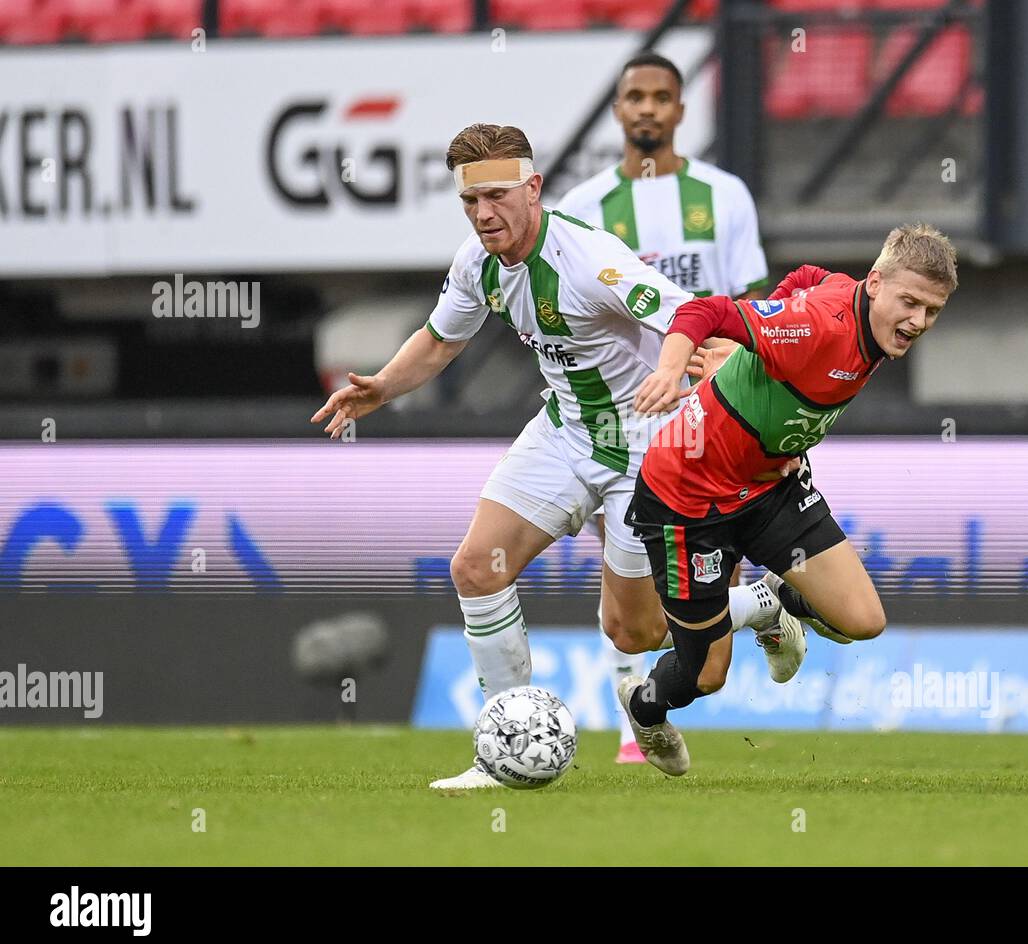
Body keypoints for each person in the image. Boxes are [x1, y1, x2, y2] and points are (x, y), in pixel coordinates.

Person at [310, 123, 802, 789]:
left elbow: (693, 316)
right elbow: (438, 339)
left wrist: (708, 376)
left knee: (634, 634)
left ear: (533, 188)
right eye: (470, 201)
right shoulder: (477, 262)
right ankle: (503, 753)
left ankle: (762, 604)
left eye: (498, 196)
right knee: (477, 569)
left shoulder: (592, 260)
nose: (484, 214)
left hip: (646, 446)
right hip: (565, 430)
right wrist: (382, 387)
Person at [617, 225, 959, 776]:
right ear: (875, 284)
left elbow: (805, 277)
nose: (918, 321)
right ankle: (644, 707)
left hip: (770, 486)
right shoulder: (815, 327)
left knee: (863, 620)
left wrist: (761, 350)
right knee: (705, 674)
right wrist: (672, 367)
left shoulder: (850, 302)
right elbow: (703, 313)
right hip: (689, 500)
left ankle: (771, 598)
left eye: (932, 310)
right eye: (910, 302)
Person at [557, 51, 775, 762]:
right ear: (618, 111)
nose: (648, 108)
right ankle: (633, 724)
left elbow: (752, 306)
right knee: (619, 563)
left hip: (710, 413)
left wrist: (749, 387)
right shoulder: (585, 208)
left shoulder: (725, 196)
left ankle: (755, 608)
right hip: (622, 406)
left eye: (662, 97)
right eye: (635, 97)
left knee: (709, 593)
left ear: (681, 111)